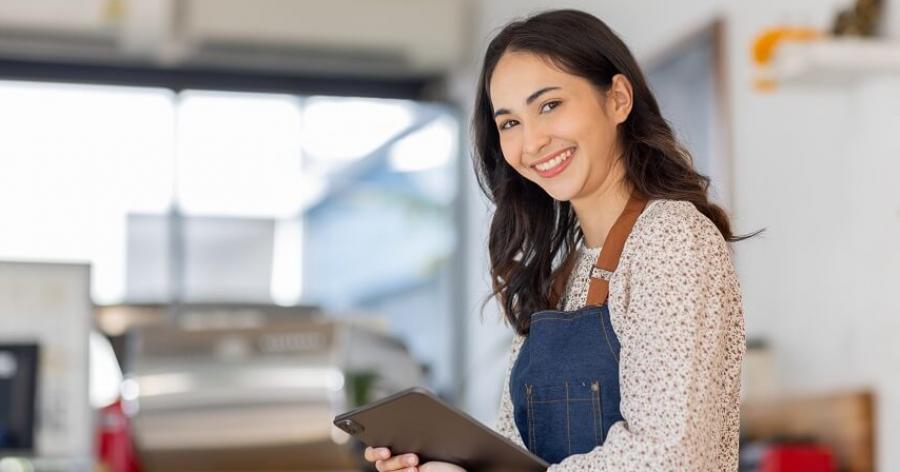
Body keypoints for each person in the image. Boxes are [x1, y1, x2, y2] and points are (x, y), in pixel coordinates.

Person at [363, 8, 752, 472]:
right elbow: (517, 456)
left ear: (618, 100)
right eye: (510, 123)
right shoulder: (558, 279)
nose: (532, 143)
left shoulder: (670, 237)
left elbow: (669, 458)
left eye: (549, 105)